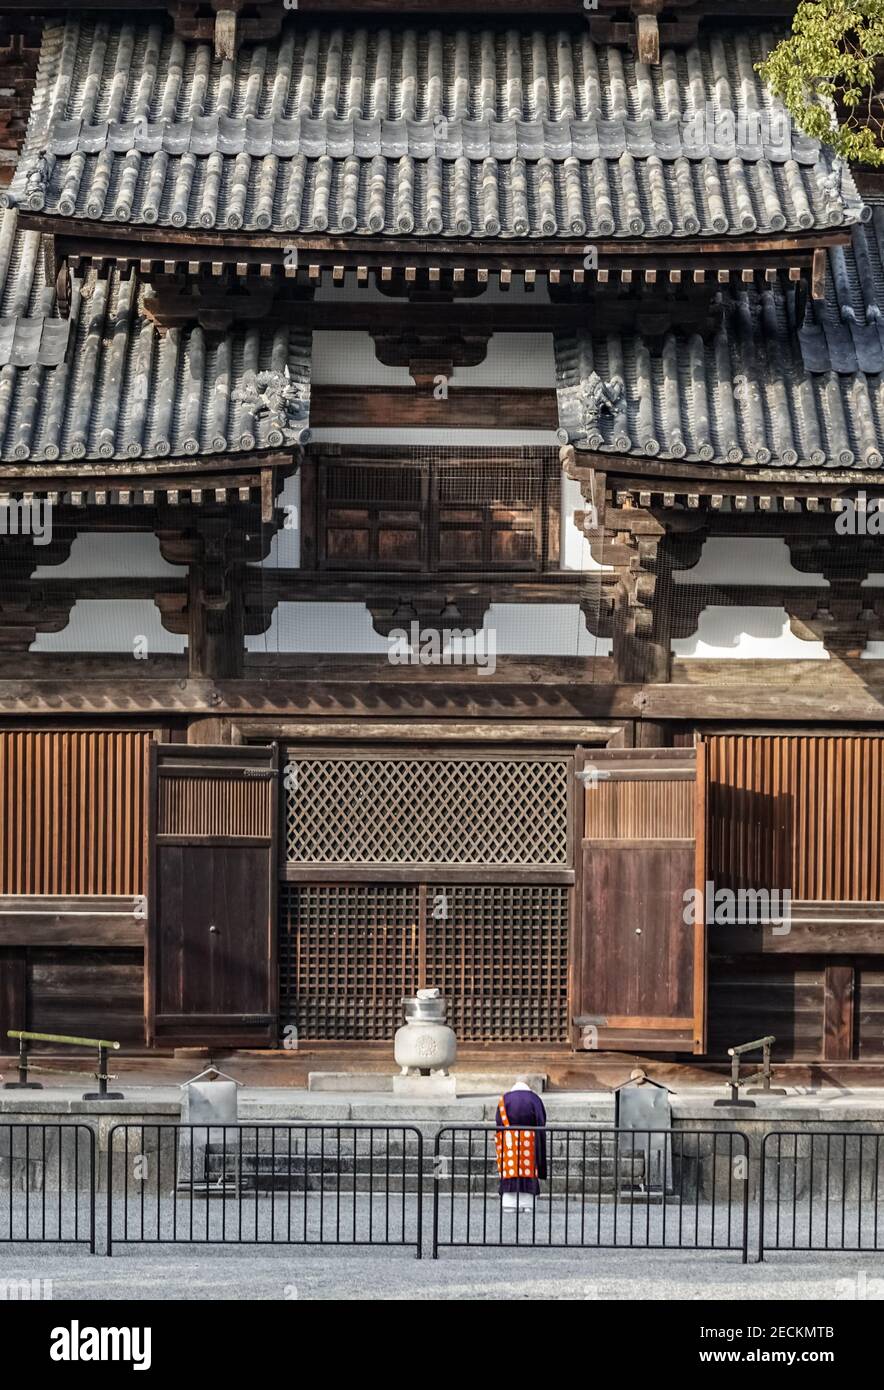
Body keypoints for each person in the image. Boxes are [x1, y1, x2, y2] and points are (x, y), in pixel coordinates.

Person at [495, 1076, 547, 1214]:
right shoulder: (534, 1099)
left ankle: (509, 1202)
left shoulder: (504, 1099)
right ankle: (527, 1204)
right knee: (529, 1169)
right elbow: (541, 1121)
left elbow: (499, 1122)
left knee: (510, 1169)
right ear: (527, 1084)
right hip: (529, 1141)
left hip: (509, 1141)